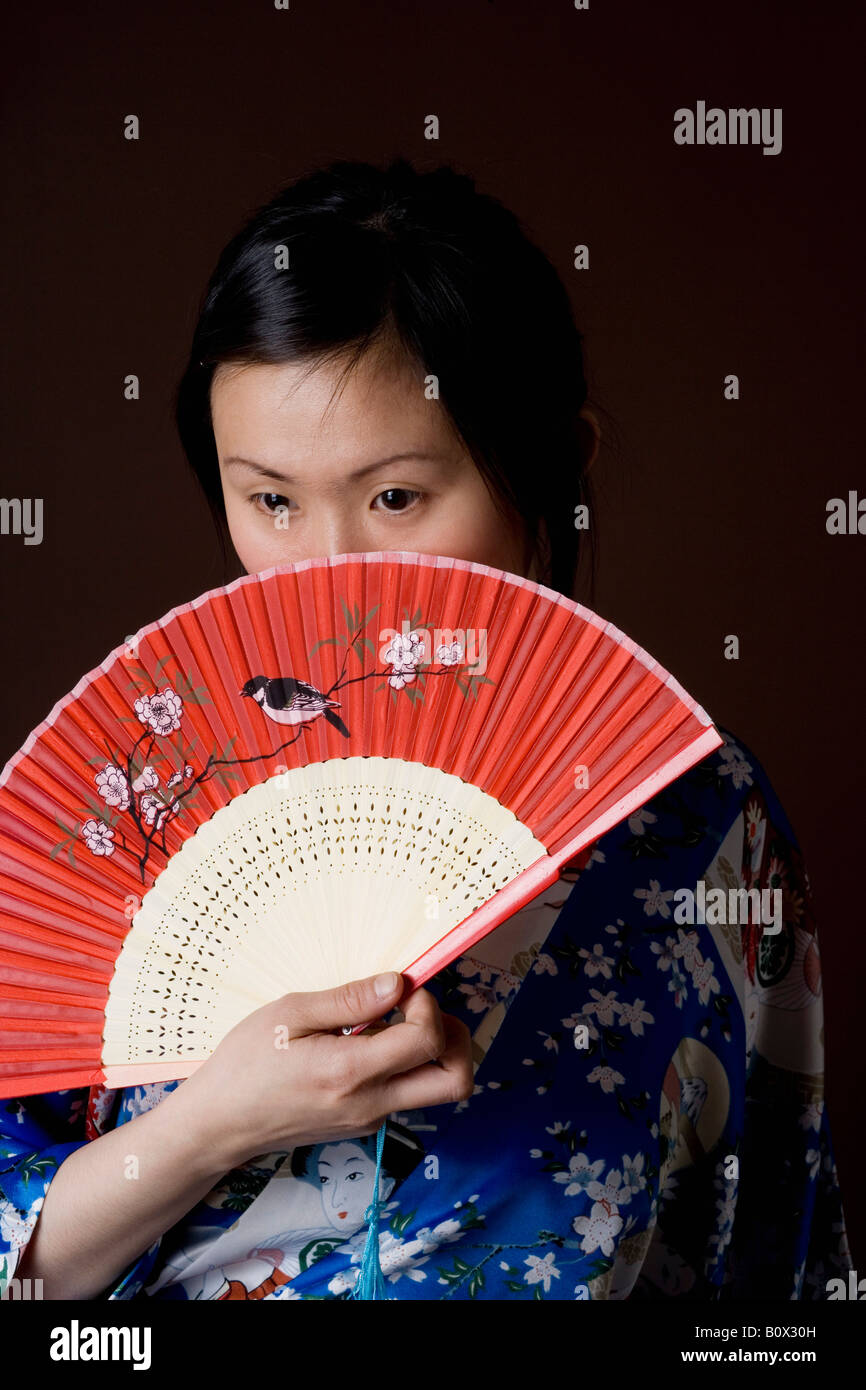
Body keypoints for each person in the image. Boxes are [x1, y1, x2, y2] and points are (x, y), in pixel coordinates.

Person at [0, 159, 851, 1301]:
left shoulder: (701, 820)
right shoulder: (128, 811)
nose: (327, 571)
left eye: (394, 497)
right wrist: (212, 1124)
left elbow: (770, 1263)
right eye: (269, 500)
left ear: (551, 472)